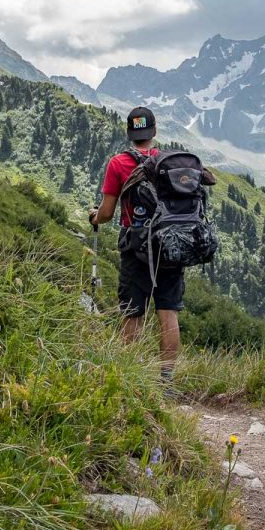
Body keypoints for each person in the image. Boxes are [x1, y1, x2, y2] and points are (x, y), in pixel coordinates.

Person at [89, 106, 184, 385]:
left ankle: (129, 379)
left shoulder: (118, 163)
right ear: (154, 131)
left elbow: (107, 213)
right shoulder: (168, 161)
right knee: (168, 312)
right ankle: (166, 382)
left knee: (133, 312)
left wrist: (94, 216)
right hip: (170, 244)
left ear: (130, 133)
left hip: (136, 246)